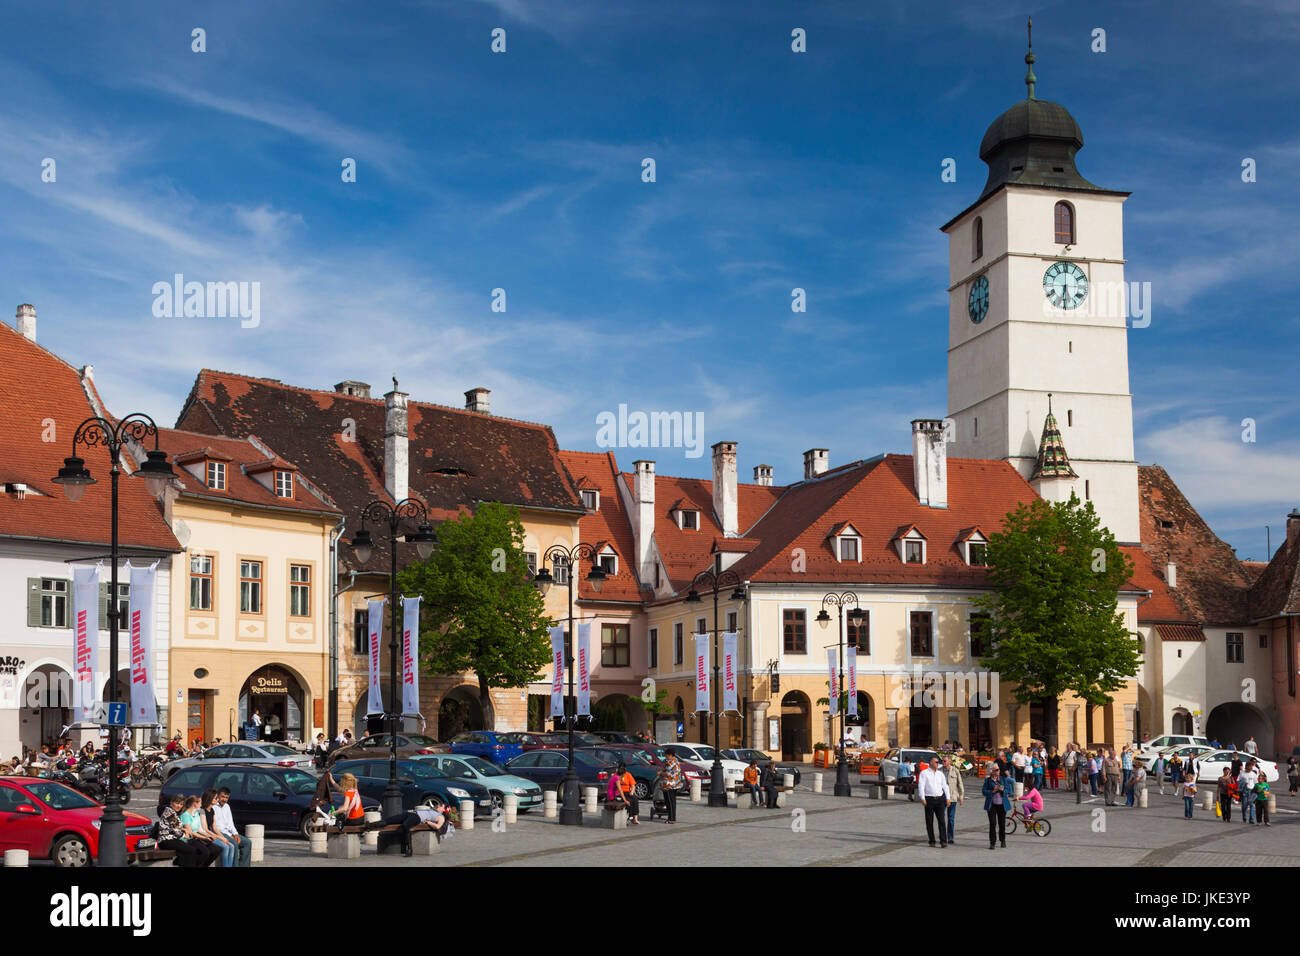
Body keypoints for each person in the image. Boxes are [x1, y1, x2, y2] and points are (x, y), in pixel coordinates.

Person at [156, 793, 209, 867]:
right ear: (171, 803)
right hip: (165, 840)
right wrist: (184, 835)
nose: (179, 806)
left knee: (190, 851)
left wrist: (184, 829)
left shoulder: (174, 812)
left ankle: (179, 863)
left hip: (173, 839)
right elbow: (174, 830)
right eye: (177, 803)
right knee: (191, 850)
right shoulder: (168, 812)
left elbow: (178, 826)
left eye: (181, 804)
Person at [210, 787, 252, 866]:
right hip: (219, 833)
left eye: (226, 798)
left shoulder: (227, 806)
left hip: (229, 833)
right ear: (218, 796)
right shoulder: (213, 807)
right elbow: (217, 827)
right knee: (234, 843)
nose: (224, 799)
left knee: (247, 843)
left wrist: (235, 834)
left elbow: (230, 823)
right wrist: (231, 836)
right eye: (222, 797)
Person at [916, 757, 951, 848]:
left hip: (939, 799)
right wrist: (922, 798)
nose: (938, 763)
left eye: (938, 762)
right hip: (929, 799)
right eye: (936, 762)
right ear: (931, 762)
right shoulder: (924, 773)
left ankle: (943, 841)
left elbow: (945, 786)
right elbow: (921, 786)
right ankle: (932, 840)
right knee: (929, 821)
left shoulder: (940, 774)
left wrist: (948, 798)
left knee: (942, 821)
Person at [179, 795, 222, 866]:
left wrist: (209, 836)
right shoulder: (185, 815)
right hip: (189, 839)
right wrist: (204, 838)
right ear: (194, 803)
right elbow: (191, 833)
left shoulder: (196, 813)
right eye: (200, 803)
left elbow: (200, 829)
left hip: (197, 838)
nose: (201, 805)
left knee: (217, 850)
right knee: (205, 852)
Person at [983, 761, 1008, 849]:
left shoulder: (1003, 779)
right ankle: (992, 842)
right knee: (992, 824)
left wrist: (1003, 790)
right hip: (992, 805)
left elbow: (1009, 790)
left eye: (998, 770)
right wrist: (992, 791)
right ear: (992, 771)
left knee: (1002, 823)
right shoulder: (988, 780)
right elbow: (984, 791)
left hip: (1002, 805)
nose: (998, 771)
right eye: (996, 770)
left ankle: (1003, 840)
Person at [943, 755, 964, 842]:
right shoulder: (939, 771)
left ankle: (950, 837)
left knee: (951, 818)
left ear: (949, 762)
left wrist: (961, 796)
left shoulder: (955, 771)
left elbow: (960, 784)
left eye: (944, 761)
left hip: (952, 797)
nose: (943, 762)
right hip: (942, 797)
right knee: (941, 817)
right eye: (942, 761)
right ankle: (943, 836)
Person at [660, 752, 685, 823]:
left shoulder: (670, 763)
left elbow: (668, 774)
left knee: (669, 802)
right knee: (672, 802)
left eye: (666, 755)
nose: (665, 757)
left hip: (669, 785)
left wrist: (660, 773)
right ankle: (672, 818)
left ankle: (671, 819)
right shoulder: (676, 761)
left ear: (670, 755)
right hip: (675, 784)